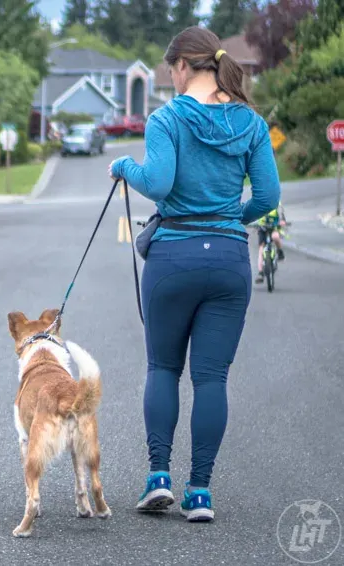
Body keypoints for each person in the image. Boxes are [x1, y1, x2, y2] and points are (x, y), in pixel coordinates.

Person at [107, 26, 280, 522]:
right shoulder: (250, 123)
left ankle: (158, 477)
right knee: (211, 378)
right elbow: (268, 197)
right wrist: (230, 221)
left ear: (183, 65)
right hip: (228, 260)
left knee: (163, 368)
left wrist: (123, 166)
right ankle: (200, 492)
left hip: (173, 259)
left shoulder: (167, 118)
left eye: (172, 70)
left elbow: (158, 182)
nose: (173, 78)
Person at [255, 201, 287, 283]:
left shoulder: (276, 202)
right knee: (261, 250)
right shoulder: (259, 202)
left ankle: (280, 251)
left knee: (275, 237)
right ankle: (260, 273)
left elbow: (280, 212)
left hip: (274, 227)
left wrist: (282, 220)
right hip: (262, 228)